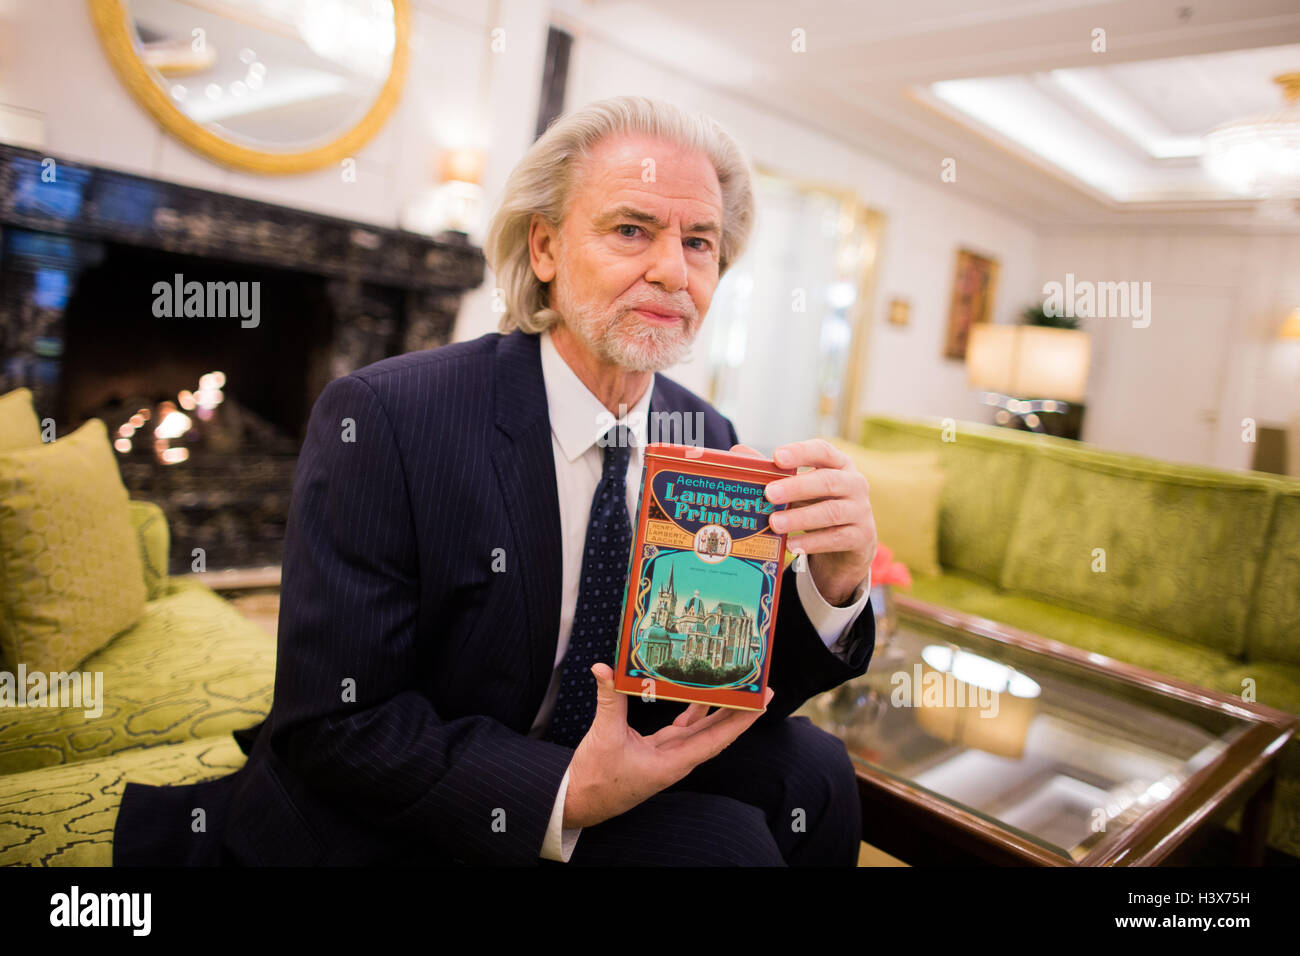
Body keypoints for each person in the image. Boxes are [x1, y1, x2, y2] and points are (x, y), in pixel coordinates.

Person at [113, 94, 878, 866]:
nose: (673, 271)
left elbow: (719, 675)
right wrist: (567, 792)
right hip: (422, 788)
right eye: (631, 230)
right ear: (544, 249)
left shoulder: (705, 437)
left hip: (611, 740)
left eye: (700, 243)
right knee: (727, 849)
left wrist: (835, 584)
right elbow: (333, 723)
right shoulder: (387, 416)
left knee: (818, 774)